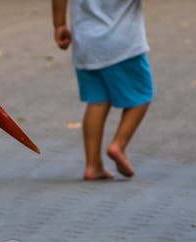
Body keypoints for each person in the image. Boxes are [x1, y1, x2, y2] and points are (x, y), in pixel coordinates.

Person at [52, 0, 153, 180]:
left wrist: (59, 24)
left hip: (85, 44)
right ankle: (118, 145)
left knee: (97, 102)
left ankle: (93, 165)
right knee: (143, 94)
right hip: (124, 46)